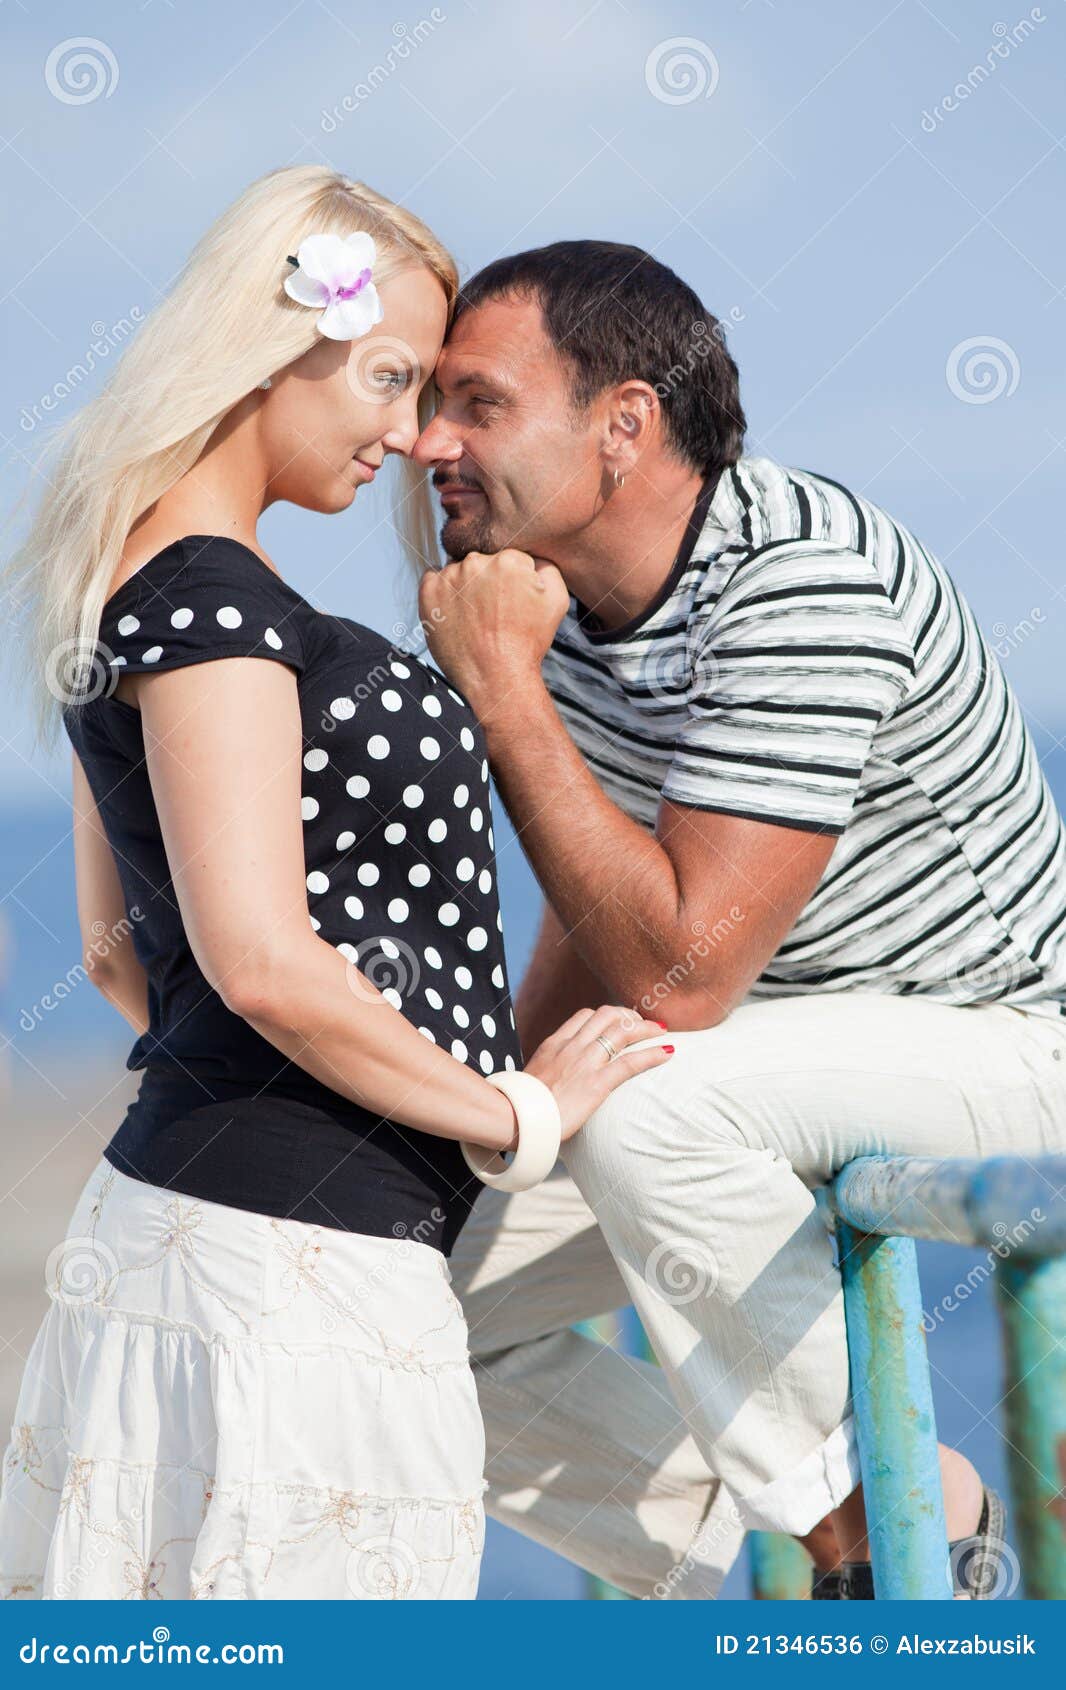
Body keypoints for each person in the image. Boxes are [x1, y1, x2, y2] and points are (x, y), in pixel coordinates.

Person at [0, 178, 672, 1602]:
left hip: (210, 1250)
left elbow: (123, 955)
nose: (409, 433)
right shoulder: (213, 597)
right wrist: (521, 1113)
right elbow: (252, 958)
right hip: (294, 1284)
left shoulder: (136, 586)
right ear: (266, 341)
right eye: (386, 377)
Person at [411, 240, 1066, 1599]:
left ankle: (870, 1547)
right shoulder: (566, 606)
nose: (426, 440)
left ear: (624, 423)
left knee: (656, 1113)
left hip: (1002, 1037)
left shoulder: (799, 580)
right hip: (767, 1052)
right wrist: (496, 1125)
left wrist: (502, 696)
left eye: (476, 402)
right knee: (392, 1294)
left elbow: (684, 971)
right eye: (429, 403)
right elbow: (602, 914)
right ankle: (885, 1516)